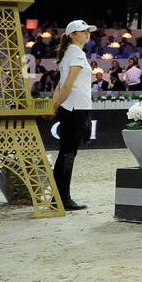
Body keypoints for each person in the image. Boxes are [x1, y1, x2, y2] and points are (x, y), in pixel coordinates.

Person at [50, 20, 94, 211]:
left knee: (66, 153)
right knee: (68, 154)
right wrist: (55, 105)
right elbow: (66, 85)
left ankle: (58, 196)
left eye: (87, 31)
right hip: (75, 107)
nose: (87, 33)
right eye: (83, 31)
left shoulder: (70, 53)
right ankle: (63, 197)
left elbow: (61, 84)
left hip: (72, 107)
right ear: (72, 35)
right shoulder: (76, 53)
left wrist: (55, 105)